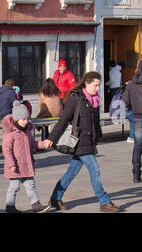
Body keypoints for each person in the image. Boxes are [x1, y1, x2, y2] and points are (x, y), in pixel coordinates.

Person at [47, 71, 121, 212]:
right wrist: (51, 138)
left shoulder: (94, 100)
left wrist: (98, 135)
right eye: (96, 85)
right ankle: (104, 202)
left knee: (71, 172)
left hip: (89, 140)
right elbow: (63, 120)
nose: (98, 89)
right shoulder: (76, 98)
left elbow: (95, 122)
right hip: (79, 140)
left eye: (99, 85)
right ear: (87, 83)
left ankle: (55, 198)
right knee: (94, 168)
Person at [2, 102, 48, 212]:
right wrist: (11, 164)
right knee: (14, 187)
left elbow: (32, 144)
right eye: (23, 119)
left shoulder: (27, 132)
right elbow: (7, 150)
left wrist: (43, 144)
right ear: (17, 119)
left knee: (31, 185)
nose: (26, 121)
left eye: (27, 119)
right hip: (16, 166)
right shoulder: (10, 134)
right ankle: (10, 207)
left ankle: (36, 205)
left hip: (27, 165)